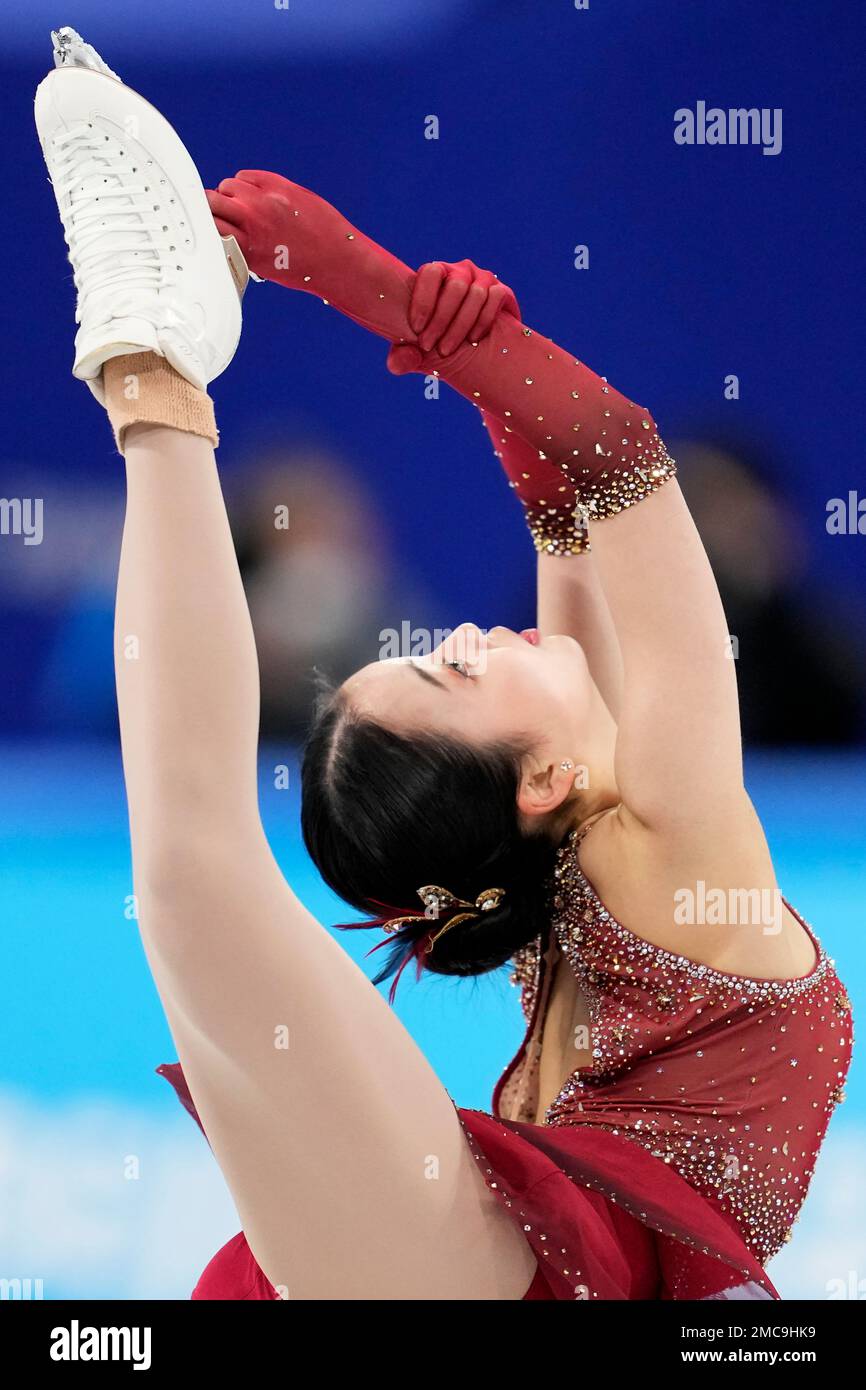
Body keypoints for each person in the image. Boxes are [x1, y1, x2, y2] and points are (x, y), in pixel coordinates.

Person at [35, 31, 852, 1300]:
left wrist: (470, 367)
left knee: (194, 881)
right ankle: (149, 357)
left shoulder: (572, 872)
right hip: (532, 1273)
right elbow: (625, 468)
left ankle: (149, 361)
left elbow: (584, 540)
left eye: (436, 660)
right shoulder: (675, 848)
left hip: (500, 1269)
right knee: (195, 883)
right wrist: (391, 299)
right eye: (452, 675)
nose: (465, 636)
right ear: (531, 781)